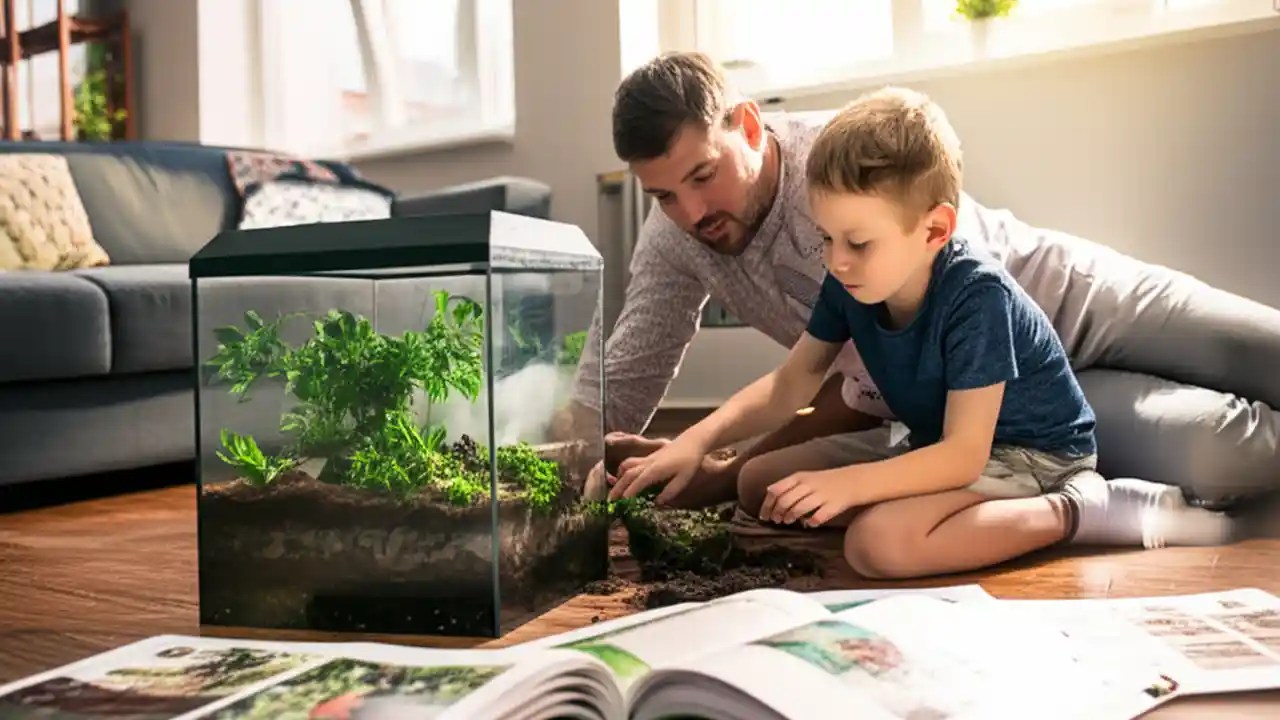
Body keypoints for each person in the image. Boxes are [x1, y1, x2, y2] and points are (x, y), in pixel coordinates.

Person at [562, 51, 1280, 512]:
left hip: (1071, 301)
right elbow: (619, 381)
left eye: (702, 176)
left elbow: (863, 385)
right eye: (661, 195)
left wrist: (721, 461)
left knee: (1263, 349)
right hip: (1013, 407)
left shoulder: (837, 168)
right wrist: (558, 464)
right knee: (1226, 454)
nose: (690, 213)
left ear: (748, 127)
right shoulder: (676, 238)